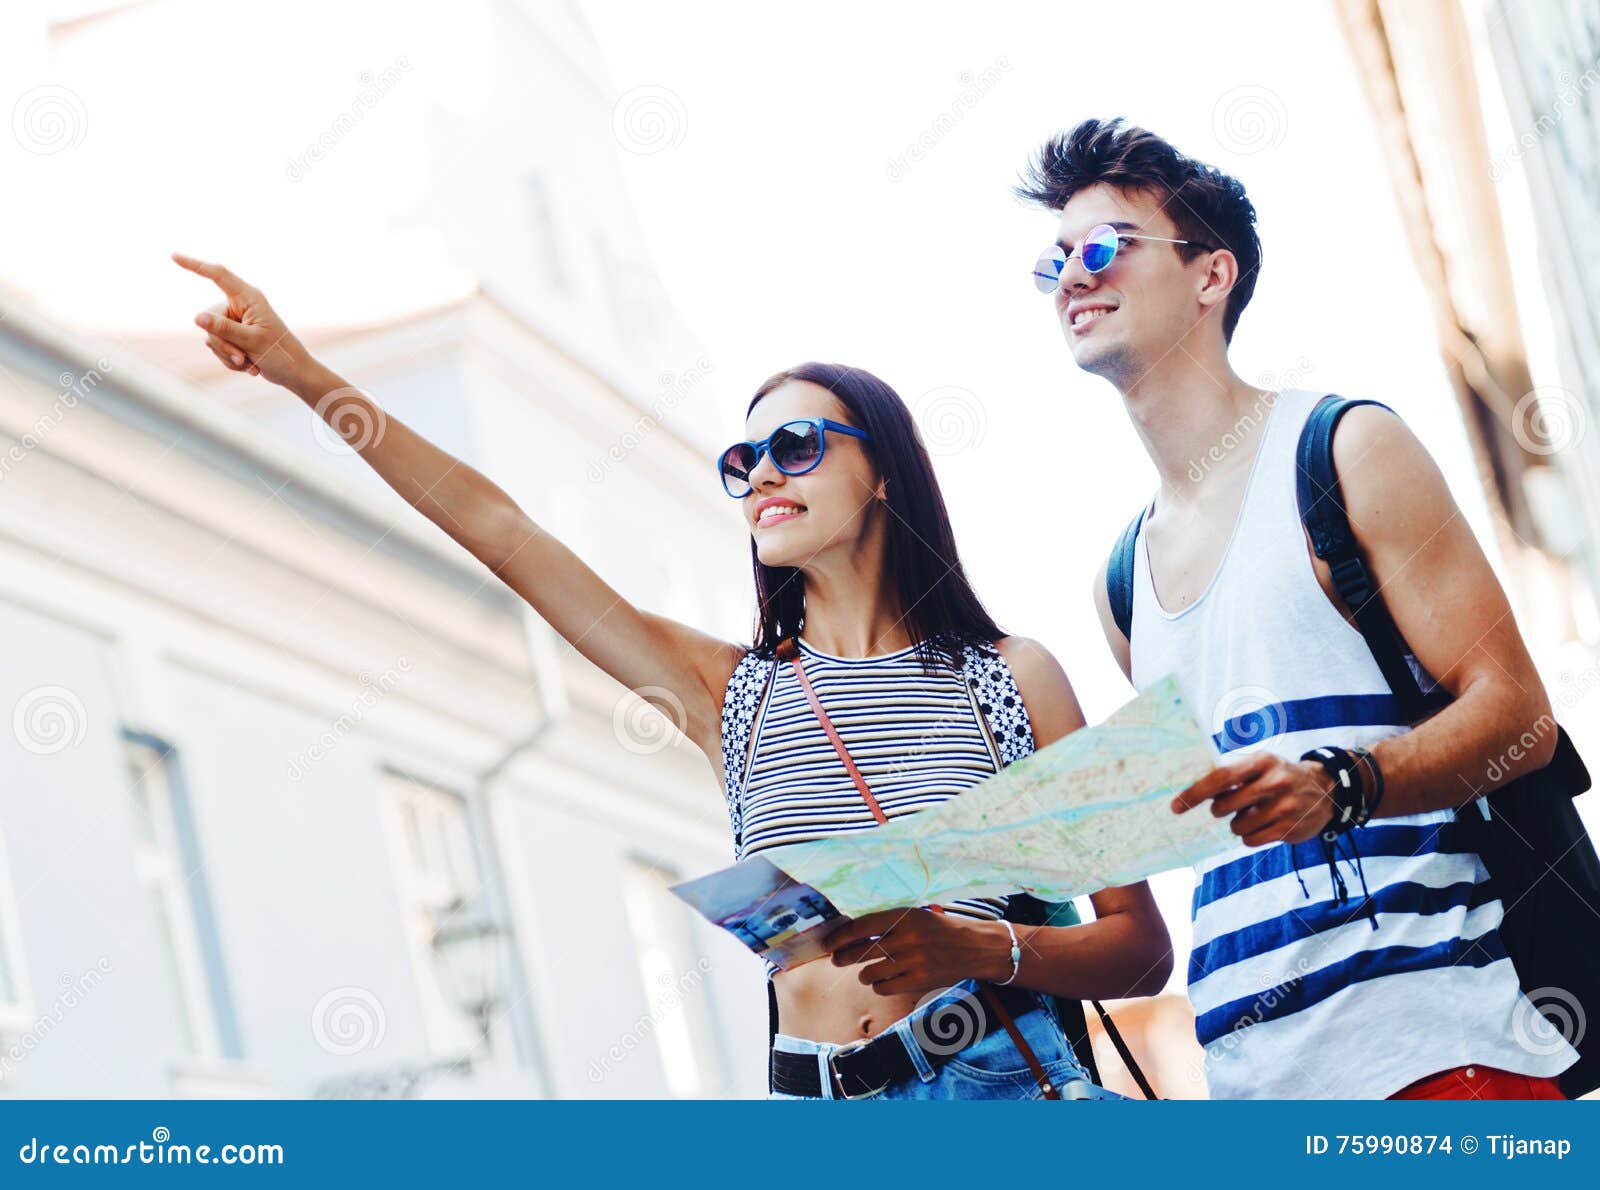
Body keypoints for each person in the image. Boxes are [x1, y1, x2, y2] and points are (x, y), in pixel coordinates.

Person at [172, 254, 1173, 1099]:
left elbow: (1138, 945)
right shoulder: (726, 690)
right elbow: (502, 531)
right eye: (744, 459)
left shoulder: (1014, 676)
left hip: (992, 1084)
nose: (762, 473)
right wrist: (306, 377)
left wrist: (975, 948)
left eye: (795, 445)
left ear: (881, 474)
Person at [1013, 118, 1578, 1099]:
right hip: (1250, 1082)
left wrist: (1344, 781)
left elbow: (1519, 718)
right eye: (1053, 259)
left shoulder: (1344, 449)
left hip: (1437, 1048)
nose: (1071, 275)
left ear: (1209, 275)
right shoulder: (1120, 582)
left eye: (1102, 245)